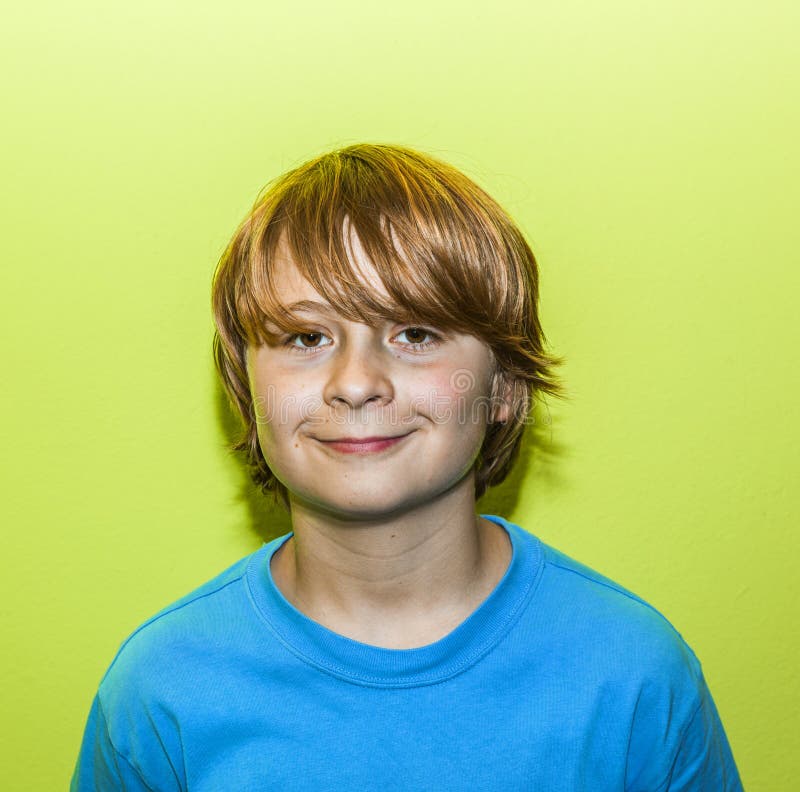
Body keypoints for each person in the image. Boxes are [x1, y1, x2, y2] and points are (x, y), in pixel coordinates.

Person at [71, 143, 743, 790]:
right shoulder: (161, 690)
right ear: (247, 393)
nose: (357, 382)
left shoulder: (633, 675)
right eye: (307, 337)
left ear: (506, 386)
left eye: (415, 333)